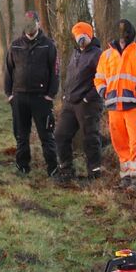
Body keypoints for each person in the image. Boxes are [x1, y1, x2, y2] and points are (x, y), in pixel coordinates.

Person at [94, 18, 136, 190]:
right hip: (113, 106)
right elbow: (99, 77)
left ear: (131, 34)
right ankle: (126, 176)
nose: (122, 37)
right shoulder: (106, 55)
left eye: (125, 33)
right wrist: (102, 91)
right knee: (119, 142)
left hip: (133, 105)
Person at [3, 10, 58, 176]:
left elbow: (55, 72)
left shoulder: (48, 45)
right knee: (21, 135)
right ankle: (22, 166)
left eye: (32, 23)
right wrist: (9, 94)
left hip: (41, 98)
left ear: (38, 23)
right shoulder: (15, 45)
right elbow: (8, 70)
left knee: (46, 136)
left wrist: (50, 95)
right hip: (19, 97)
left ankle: (53, 168)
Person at [53, 21, 104, 183]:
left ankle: (94, 173)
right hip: (70, 102)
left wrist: (88, 97)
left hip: (88, 104)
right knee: (60, 134)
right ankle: (66, 169)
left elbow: (104, 80)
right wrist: (65, 95)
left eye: (83, 37)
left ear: (90, 36)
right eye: (77, 37)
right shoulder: (75, 53)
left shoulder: (98, 54)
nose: (80, 40)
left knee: (90, 137)